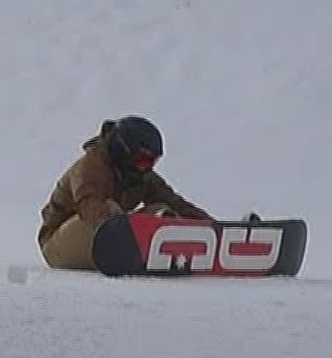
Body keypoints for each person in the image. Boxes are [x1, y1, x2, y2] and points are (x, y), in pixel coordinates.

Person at [37, 115, 213, 271]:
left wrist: (213, 227)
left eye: (153, 162)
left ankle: (180, 248)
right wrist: (122, 234)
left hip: (106, 236)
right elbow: (89, 205)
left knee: (161, 210)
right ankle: (132, 248)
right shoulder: (90, 168)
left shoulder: (140, 175)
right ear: (123, 152)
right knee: (110, 209)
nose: (147, 168)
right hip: (57, 244)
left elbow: (174, 202)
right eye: (143, 161)